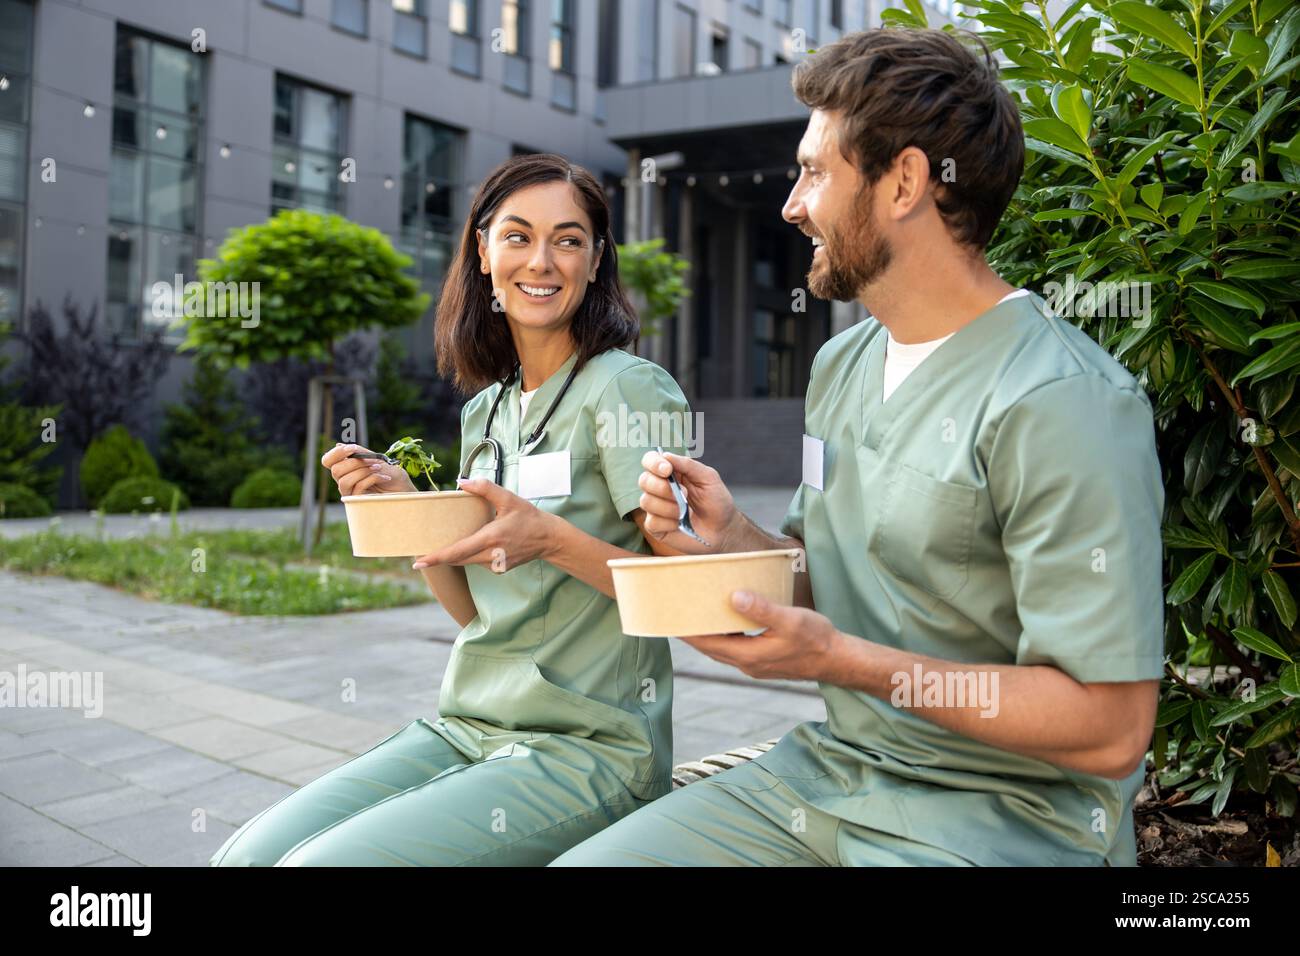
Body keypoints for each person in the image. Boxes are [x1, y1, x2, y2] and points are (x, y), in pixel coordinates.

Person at [551, 27, 1164, 867]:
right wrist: (735, 540)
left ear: (905, 181)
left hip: (1006, 821)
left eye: (813, 172)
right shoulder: (842, 363)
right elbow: (823, 569)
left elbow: (1111, 728)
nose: (791, 204)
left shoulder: (1065, 404)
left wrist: (848, 662)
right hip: (834, 776)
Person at [210, 153, 692, 866]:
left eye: (568, 239)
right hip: (469, 723)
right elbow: (481, 615)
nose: (543, 260)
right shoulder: (485, 413)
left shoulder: (627, 391)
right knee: (245, 858)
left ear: (596, 262)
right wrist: (413, 513)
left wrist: (553, 540)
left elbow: (681, 598)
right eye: (518, 235)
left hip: (588, 747)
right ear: (484, 251)